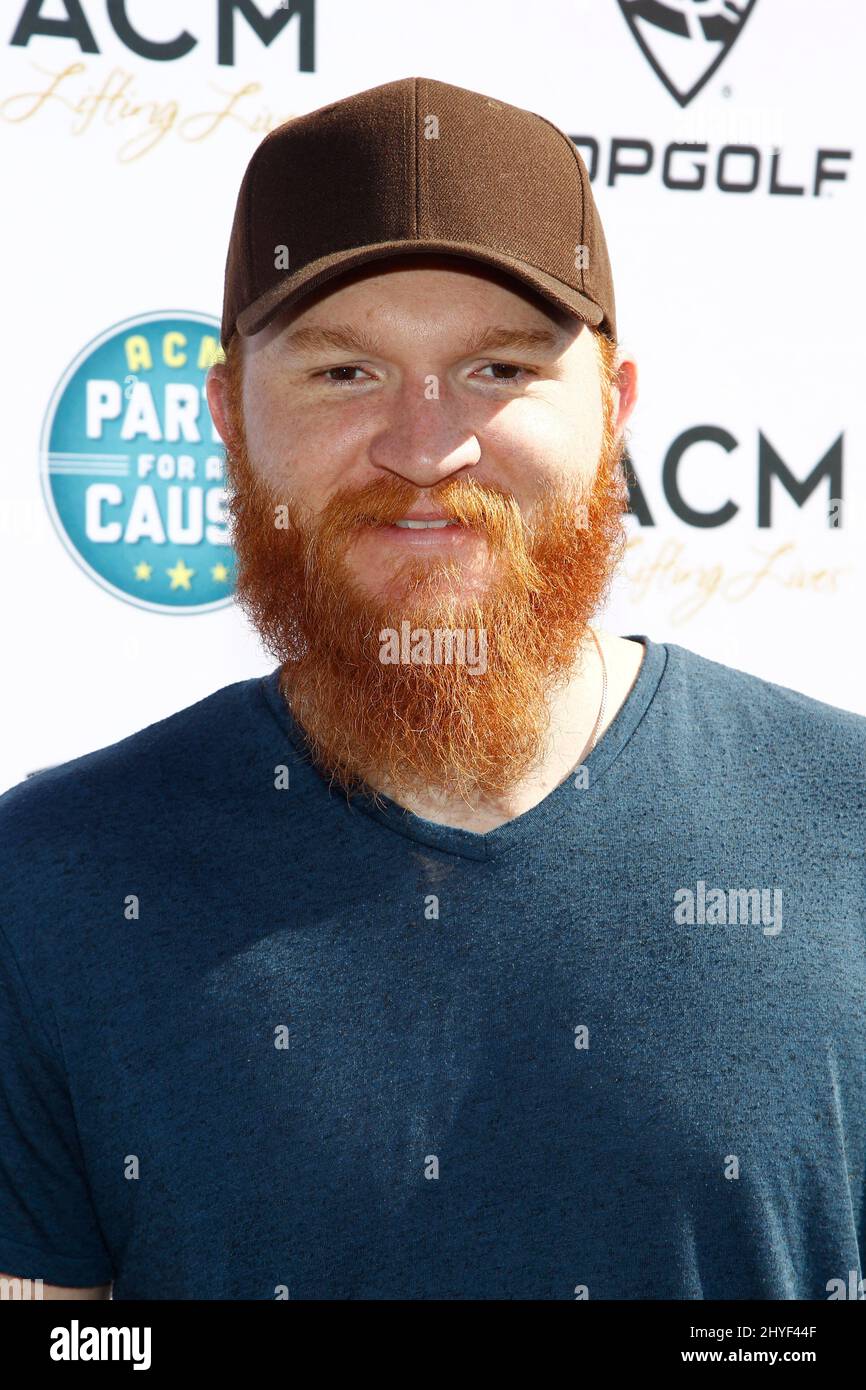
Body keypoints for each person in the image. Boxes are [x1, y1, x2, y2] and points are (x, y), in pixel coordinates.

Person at [0, 77, 863, 1302]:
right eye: (345, 373)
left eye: (498, 369)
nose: (423, 445)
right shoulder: (51, 888)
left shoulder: (847, 834)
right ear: (227, 419)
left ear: (612, 413)